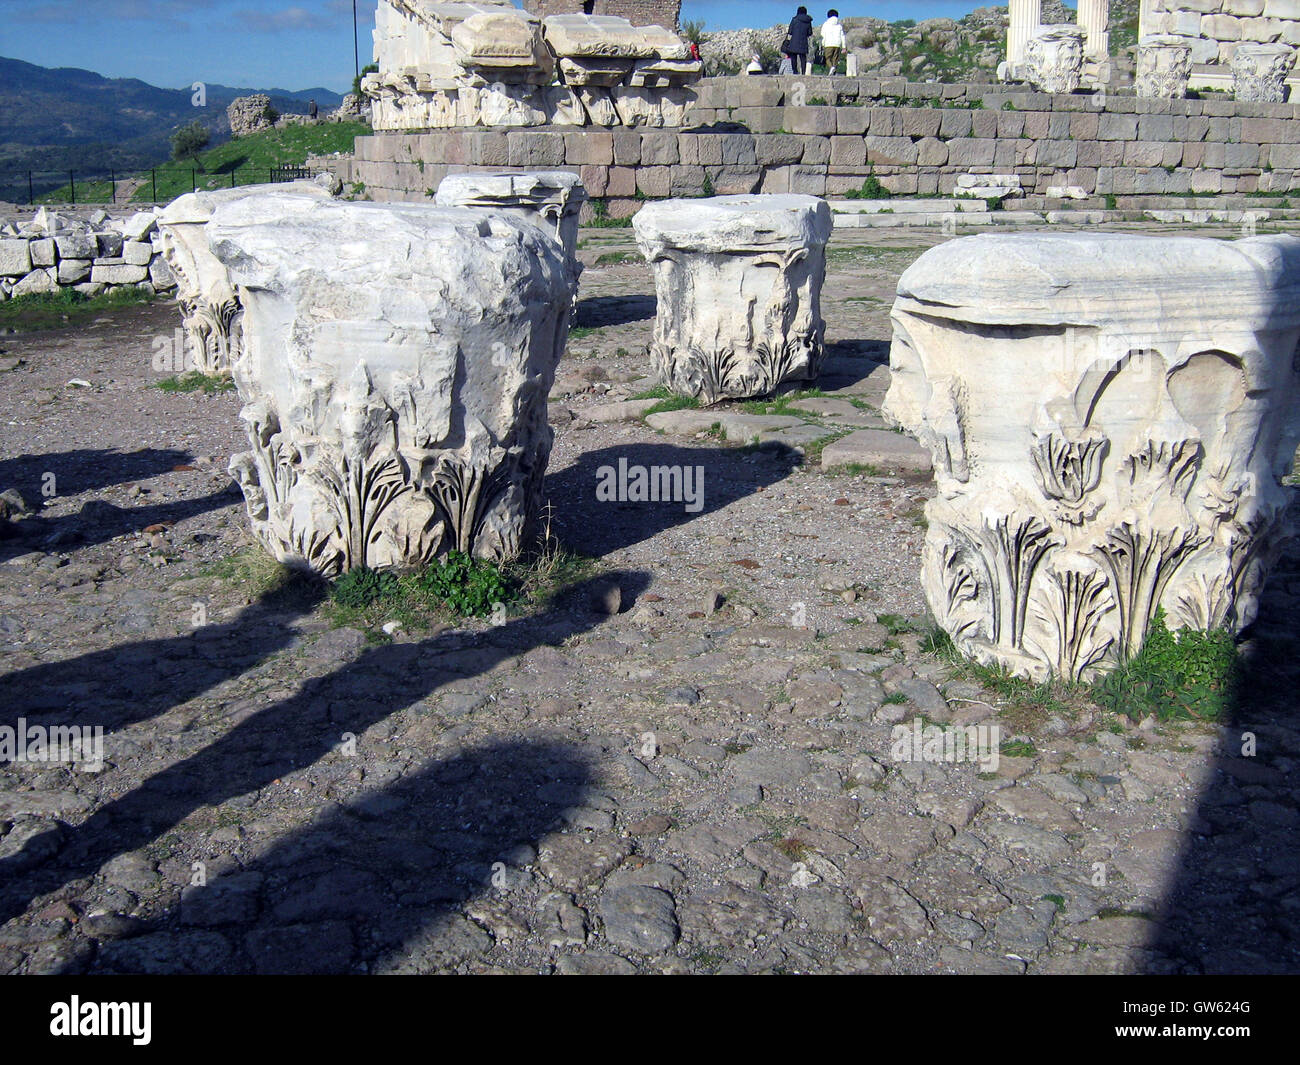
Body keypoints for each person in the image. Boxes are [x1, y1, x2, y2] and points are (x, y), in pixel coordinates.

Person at [786, 6, 814, 75]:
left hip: (794, 42)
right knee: (803, 58)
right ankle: (803, 72)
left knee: (793, 57)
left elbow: (790, 31)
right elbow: (810, 32)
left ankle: (795, 71)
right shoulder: (808, 21)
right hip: (803, 41)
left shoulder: (794, 19)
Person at [821, 9, 845, 75]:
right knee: (835, 59)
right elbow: (842, 36)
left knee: (828, 58)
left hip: (828, 44)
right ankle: (834, 70)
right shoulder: (839, 25)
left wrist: (823, 43)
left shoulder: (826, 24)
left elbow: (823, 34)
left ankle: (831, 68)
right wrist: (844, 47)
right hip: (837, 44)